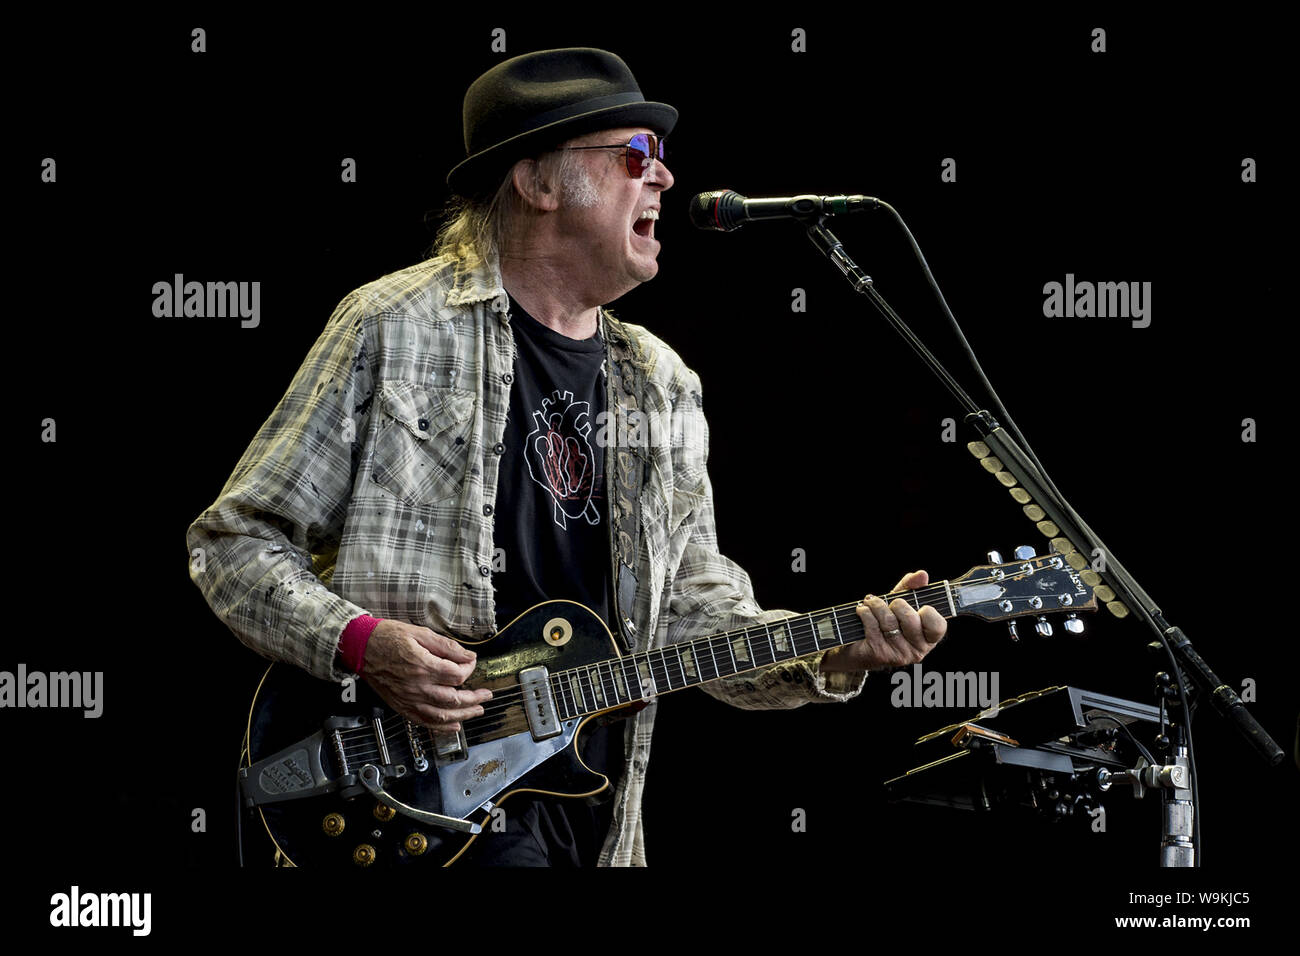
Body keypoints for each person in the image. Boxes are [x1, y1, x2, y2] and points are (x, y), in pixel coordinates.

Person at [187, 47, 947, 867]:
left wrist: (836, 651)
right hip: (397, 795)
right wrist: (363, 643)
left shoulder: (661, 384)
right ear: (539, 183)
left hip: (590, 809)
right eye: (634, 156)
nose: (662, 177)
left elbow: (696, 619)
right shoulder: (393, 325)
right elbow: (233, 545)